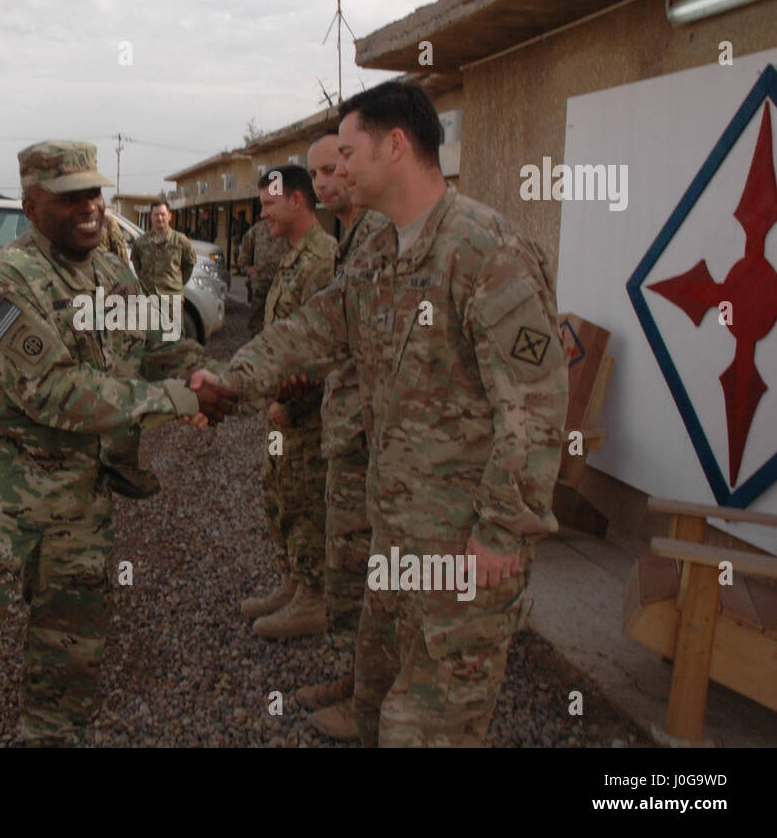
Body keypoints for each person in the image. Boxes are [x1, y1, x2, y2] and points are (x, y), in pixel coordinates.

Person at [194, 81, 566, 746]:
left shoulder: (486, 252)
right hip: (395, 528)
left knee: (425, 725)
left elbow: (535, 409)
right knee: (379, 690)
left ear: (396, 146)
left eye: (348, 152)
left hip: (464, 545)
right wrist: (229, 380)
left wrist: (504, 532)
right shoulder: (375, 249)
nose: (340, 170)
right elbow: (315, 328)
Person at [0, 140, 234, 747]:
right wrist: (180, 402)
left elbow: (159, 345)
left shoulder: (113, 272)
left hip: (80, 500)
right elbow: (54, 392)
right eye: (70, 197)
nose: (90, 208)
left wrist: (205, 374)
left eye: (95, 194)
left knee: (70, 654)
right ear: (31, 205)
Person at [297, 129, 388, 735]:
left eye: (337, 166)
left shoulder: (382, 238)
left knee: (368, 577)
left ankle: (372, 706)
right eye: (319, 174)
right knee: (350, 572)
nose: (327, 182)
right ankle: (361, 680)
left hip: (372, 442)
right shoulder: (351, 238)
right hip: (350, 436)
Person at [240, 165, 336, 640]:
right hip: (281, 415)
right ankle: (292, 583)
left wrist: (290, 405)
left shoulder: (323, 262)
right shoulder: (293, 256)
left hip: (305, 419)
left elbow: (323, 349)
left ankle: (314, 600)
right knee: (278, 497)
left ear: (298, 201)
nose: (262, 214)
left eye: (269, 204)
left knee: (304, 503)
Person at [130, 200, 194, 299]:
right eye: (156, 215)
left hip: (172, 300)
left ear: (169, 216)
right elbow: (137, 266)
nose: (159, 218)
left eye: (163, 214)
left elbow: (188, 266)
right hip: (149, 298)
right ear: (151, 216)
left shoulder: (181, 240)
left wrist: (174, 284)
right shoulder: (140, 242)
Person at [237, 216, 289, 338]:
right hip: (261, 282)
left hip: (281, 281)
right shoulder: (257, 229)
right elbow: (245, 251)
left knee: (280, 315)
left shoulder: (286, 227)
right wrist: (248, 269)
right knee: (257, 317)